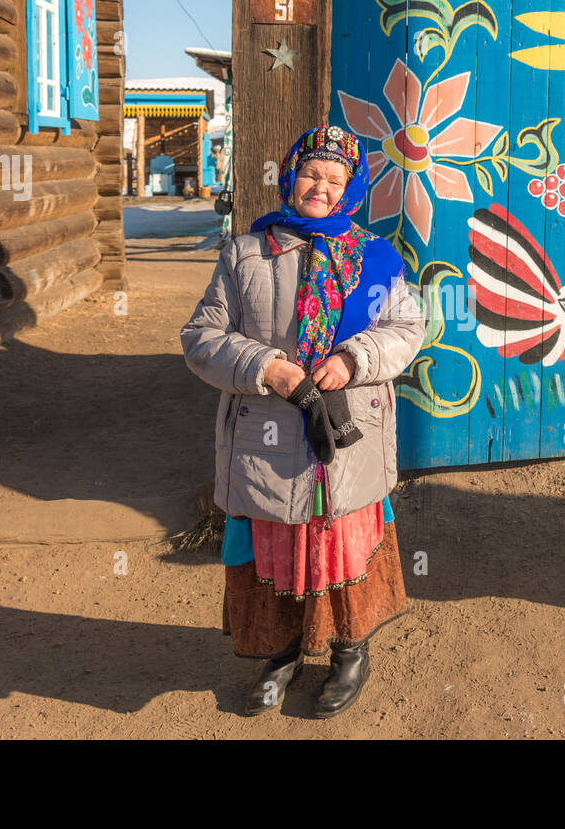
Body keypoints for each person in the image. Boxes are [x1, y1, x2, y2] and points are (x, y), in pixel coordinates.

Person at [180, 125, 426, 715]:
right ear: (291, 176)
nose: (321, 187)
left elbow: (406, 330)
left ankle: (349, 652)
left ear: (350, 189)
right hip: (270, 435)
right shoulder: (245, 254)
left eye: (334, 179)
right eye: (312, 174)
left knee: (345, 540)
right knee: (278, 545)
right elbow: (200, 337)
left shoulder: (372, 257)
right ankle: (282, 653)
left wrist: (352, 358)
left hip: (349, 434)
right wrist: (269, 367)